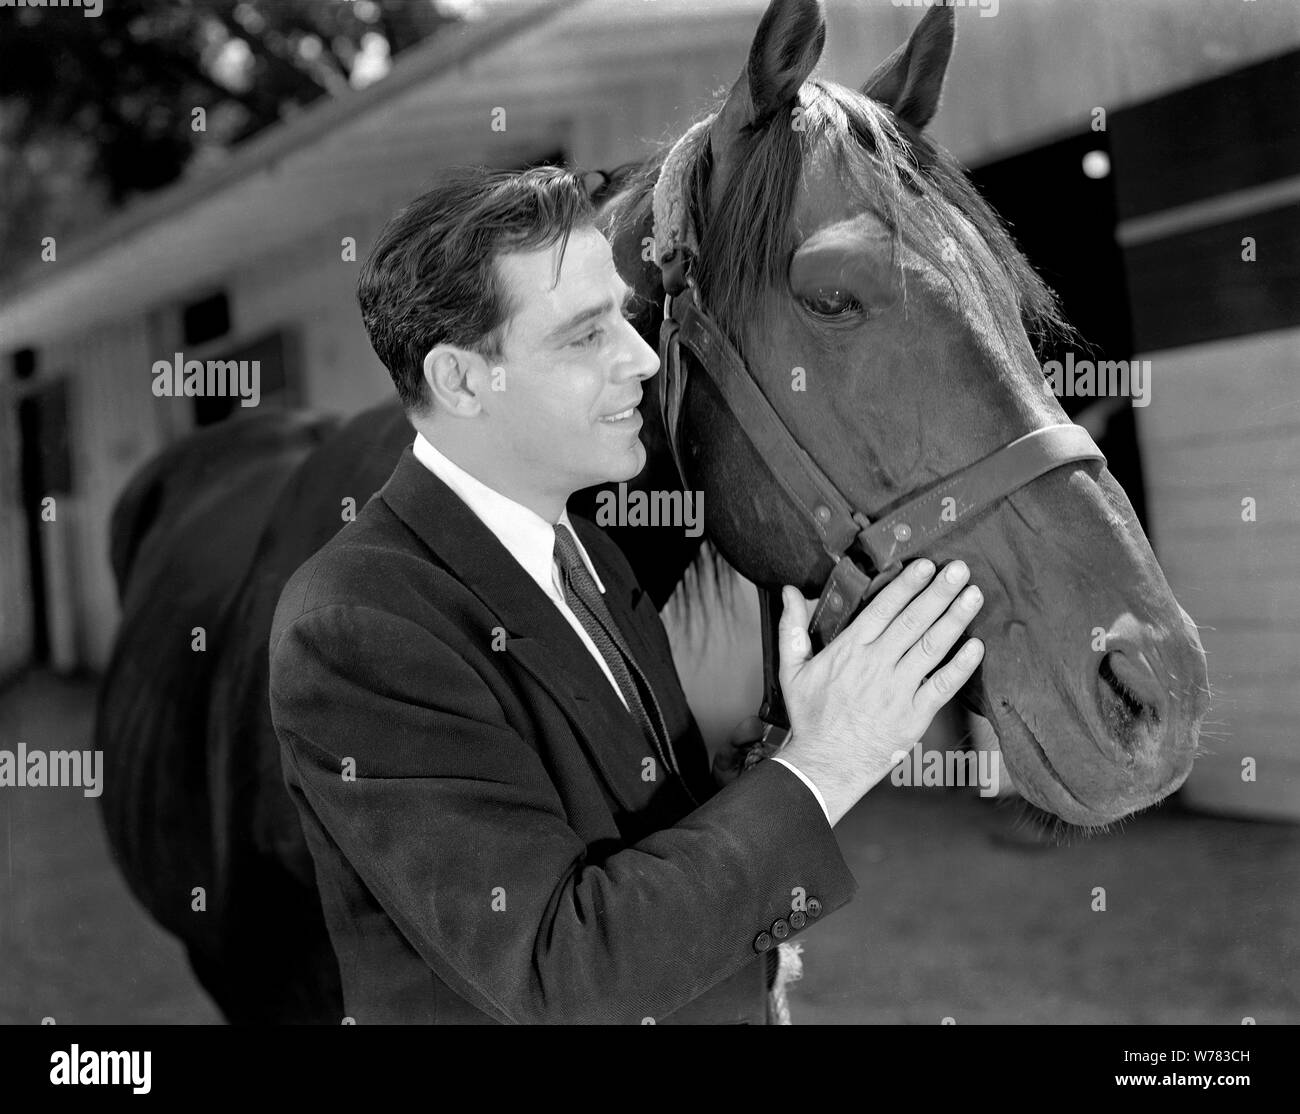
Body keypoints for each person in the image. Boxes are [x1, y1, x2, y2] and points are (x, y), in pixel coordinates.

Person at [267, 165, 985, 1024]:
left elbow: (641, 834)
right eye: (584, 336)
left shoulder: (588, 551)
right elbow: (560, 968)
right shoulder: (357, 626)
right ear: (461, 382)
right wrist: (828, 765)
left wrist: (788, 743)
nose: (644, 358)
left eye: (624, 316)